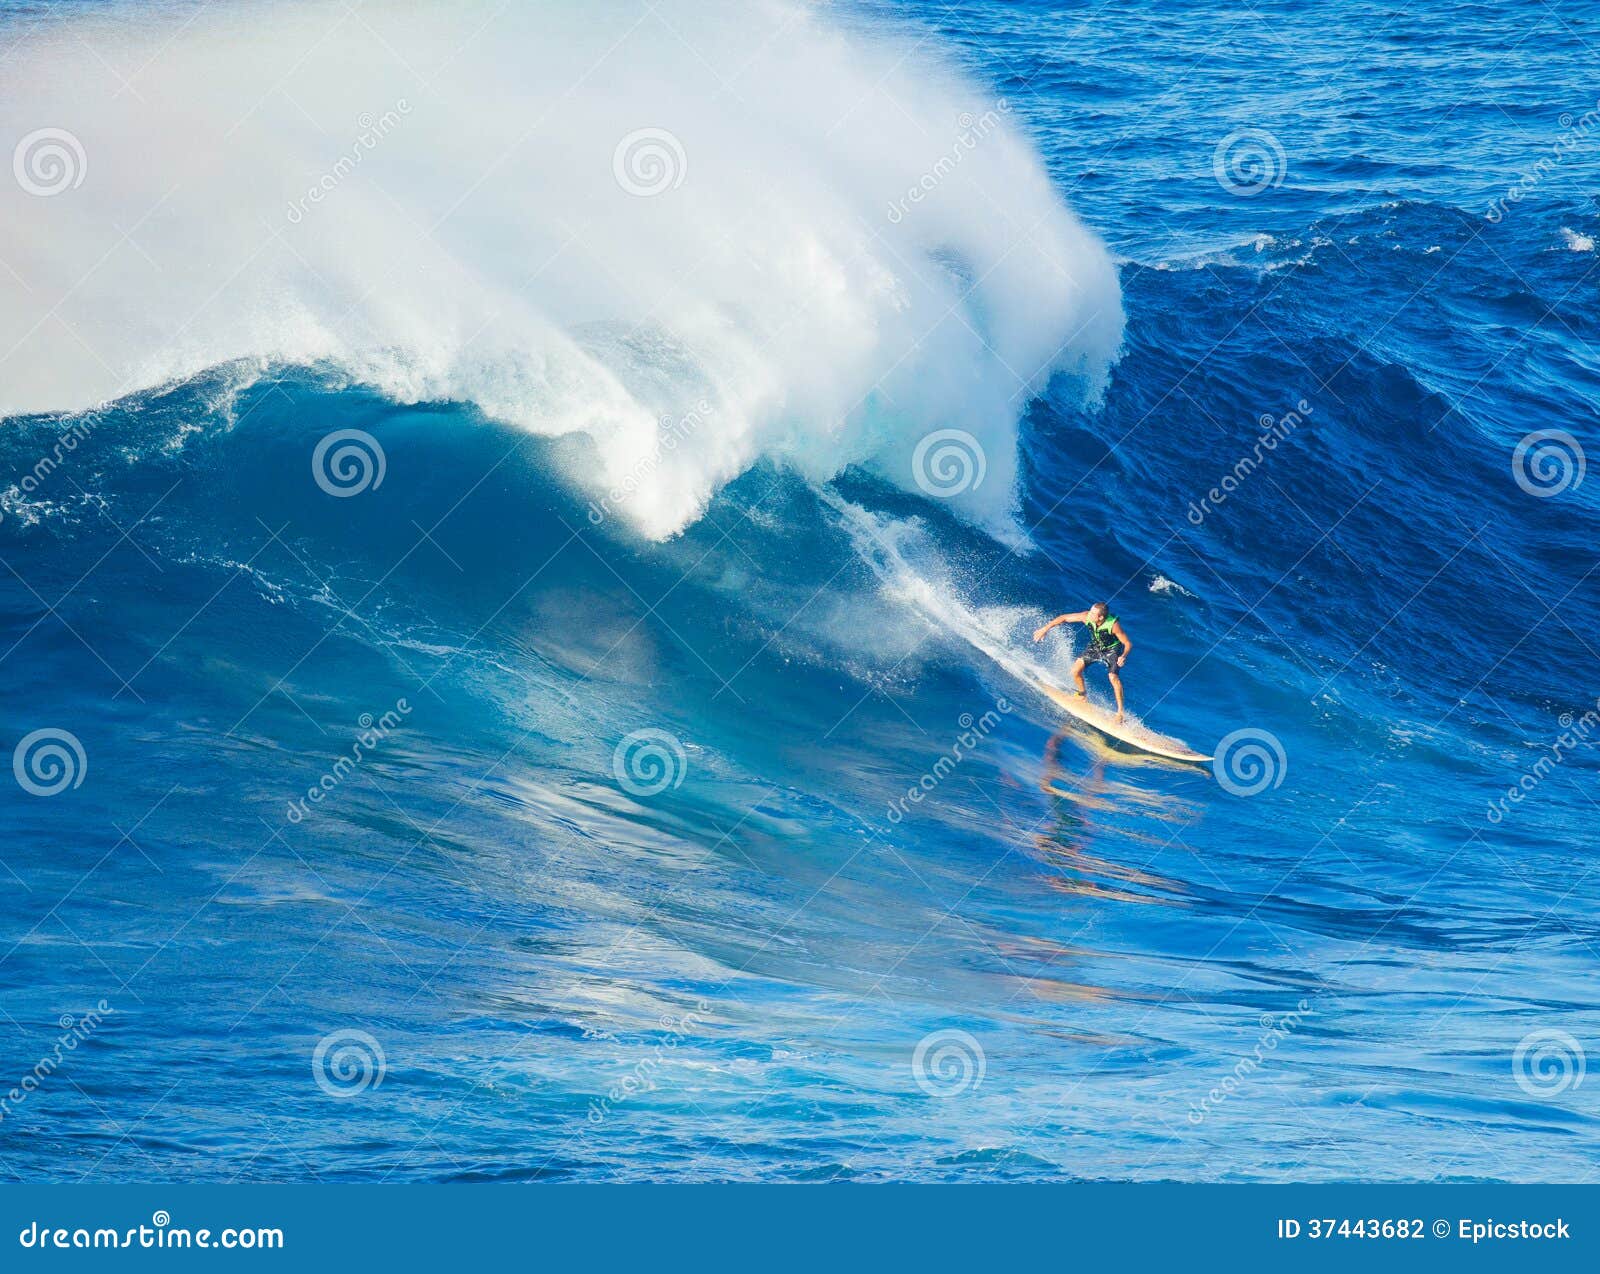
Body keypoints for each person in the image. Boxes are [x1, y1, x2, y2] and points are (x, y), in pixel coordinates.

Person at [1032, 601, 1133, 722]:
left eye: (1092, 613)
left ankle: (1120, 713)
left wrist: (1123, 656)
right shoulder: (1086, 617)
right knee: (1075, 670)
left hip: (1112, 649)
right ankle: (1082, 695)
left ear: (1100, 617)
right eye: (1090, 611)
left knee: (1113, 677)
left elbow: (1127, 643)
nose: (1089, 614)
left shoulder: (1113, 625)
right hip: (1095, 647)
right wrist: (1045, 629)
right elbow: (1064, 618)